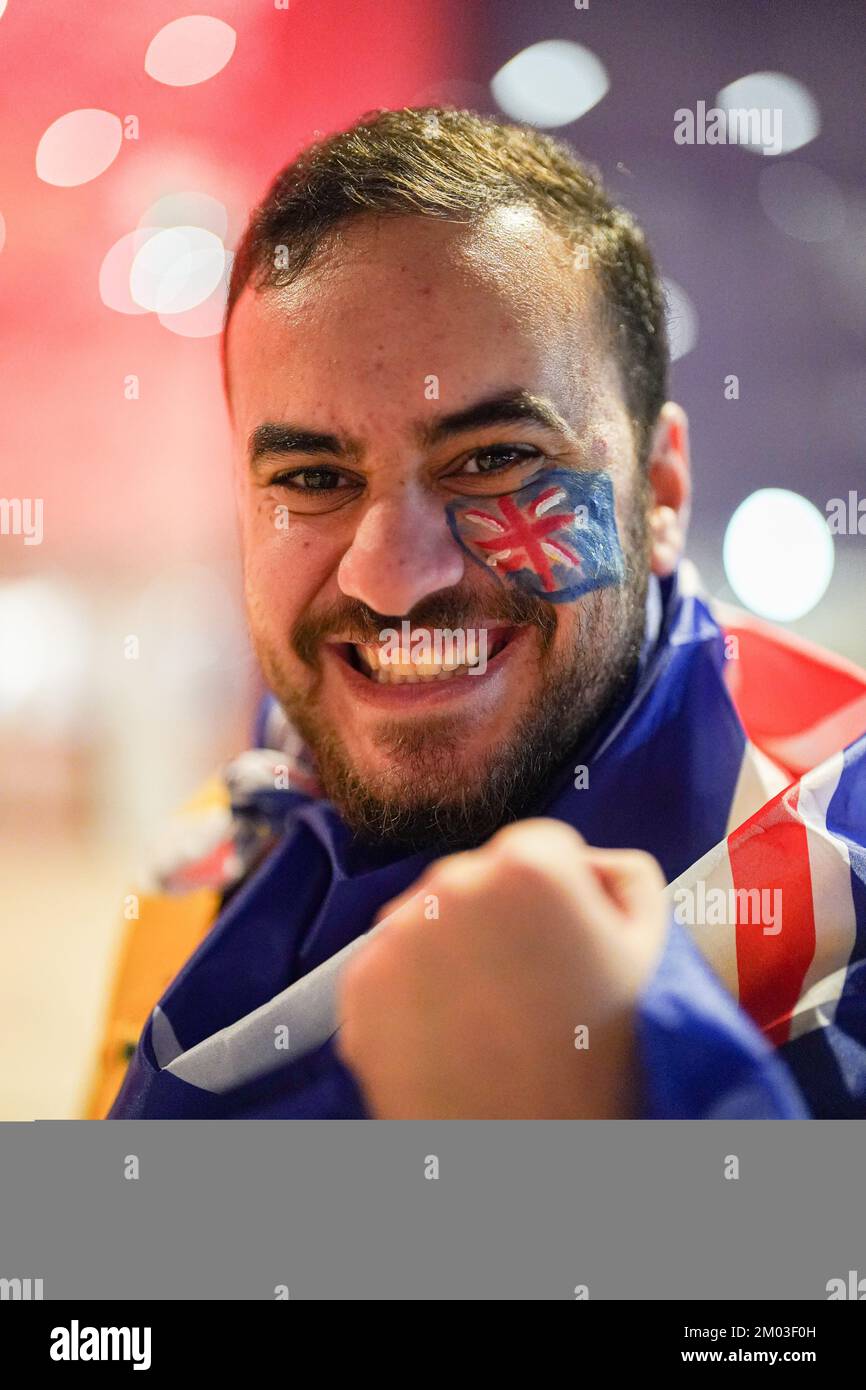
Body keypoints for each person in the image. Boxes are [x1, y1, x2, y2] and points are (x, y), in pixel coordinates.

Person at [88, 107, 866, 1121]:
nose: (392, 580)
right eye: (314, 475)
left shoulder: (836, 881)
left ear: (661, 493)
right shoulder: (219, 852)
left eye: (493, 458)